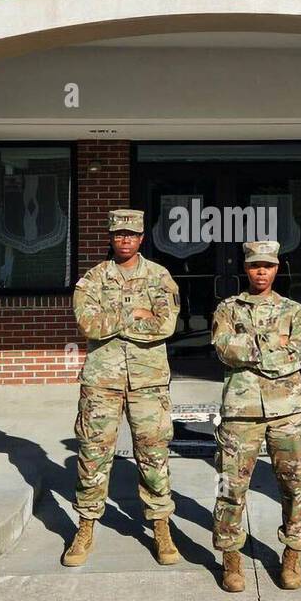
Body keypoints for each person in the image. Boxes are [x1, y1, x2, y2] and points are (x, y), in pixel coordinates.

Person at [63, 208, 182, 567]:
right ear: (111, 237)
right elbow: (88, 325)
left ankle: (161, 526)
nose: (125, 240)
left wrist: (112, 319)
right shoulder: (93, 279)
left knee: (154, 454)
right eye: (118, 235)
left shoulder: (160, 277)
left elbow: (165, 326)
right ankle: (85, 527)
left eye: (131, 235)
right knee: (93, 455)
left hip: (148, 382)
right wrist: (134, 315)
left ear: (142, 238)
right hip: (103, 382)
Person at [211, 240, 301, 592]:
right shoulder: (228, 308)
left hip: (289, 411)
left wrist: (251, 349)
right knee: (230, 488)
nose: (261, 271)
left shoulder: (293, 311)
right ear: (246, 267)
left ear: (276, 268)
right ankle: (231, 559)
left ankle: (292, 556)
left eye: (268, 266)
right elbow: (225, 349)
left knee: (294, 487)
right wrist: (273, 347)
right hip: (242, 413)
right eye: (255, 265)